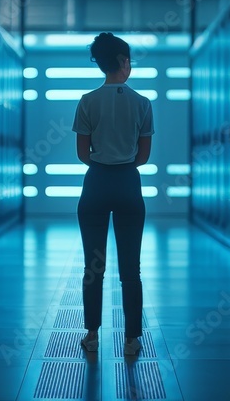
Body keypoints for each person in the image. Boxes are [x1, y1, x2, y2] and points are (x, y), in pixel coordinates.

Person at [72, 32, 153, 357]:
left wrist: (103, 161)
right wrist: (123, 162)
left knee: (94, 265)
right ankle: (131, 339)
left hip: (96, 185)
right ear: (122, 62)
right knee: (130, 268)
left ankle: (91, 335)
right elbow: (144, 157)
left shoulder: (87, 101)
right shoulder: (142, 103)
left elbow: (82, 153)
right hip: (128, 185)